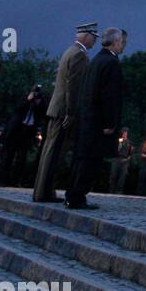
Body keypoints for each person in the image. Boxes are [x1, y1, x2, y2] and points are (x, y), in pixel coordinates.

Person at [32, 22, 97, 203]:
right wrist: (71, 113)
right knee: (55, 152)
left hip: (56, 108)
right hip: (63, 111)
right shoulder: (79, 55)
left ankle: (41, 191)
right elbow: (73, 87)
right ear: (86, 36)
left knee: (49, 151)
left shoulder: (70, 51)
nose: (95, 40)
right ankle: (45, 193)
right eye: (94, 36)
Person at [65, 27, 128, 210]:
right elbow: (109, 96)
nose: (123, 46)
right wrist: (110, 123)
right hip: (99, 122)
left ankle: (72, 195)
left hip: (87, 119)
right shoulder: (111, 63)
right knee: (90, 161)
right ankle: (77, 197)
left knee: (81, 158)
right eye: (122, 42)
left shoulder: (97, 60)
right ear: (115, 42)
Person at [0, 86, 48, 186]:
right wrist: (28, 100)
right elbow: (18, 110)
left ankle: (15, 181)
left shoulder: (40, 103)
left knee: (21, 158)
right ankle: (2, 180)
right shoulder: (24, 98)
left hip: (28, 132)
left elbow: (43, 114)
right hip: (16, 130)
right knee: (8, 156)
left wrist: (39, 103)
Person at [110, 128, 134, 194]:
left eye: (125, 132)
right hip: (116, 159)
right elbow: (112, 150)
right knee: (113, 175)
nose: (124, 134)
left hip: (124, 161)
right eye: (123, 132)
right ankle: (112, 191)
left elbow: (131, 154)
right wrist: (118, 146)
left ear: (127, 133)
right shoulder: (117, 141)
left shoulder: (130, 142)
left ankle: (119, 191)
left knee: (122, 177)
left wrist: (127, 159)